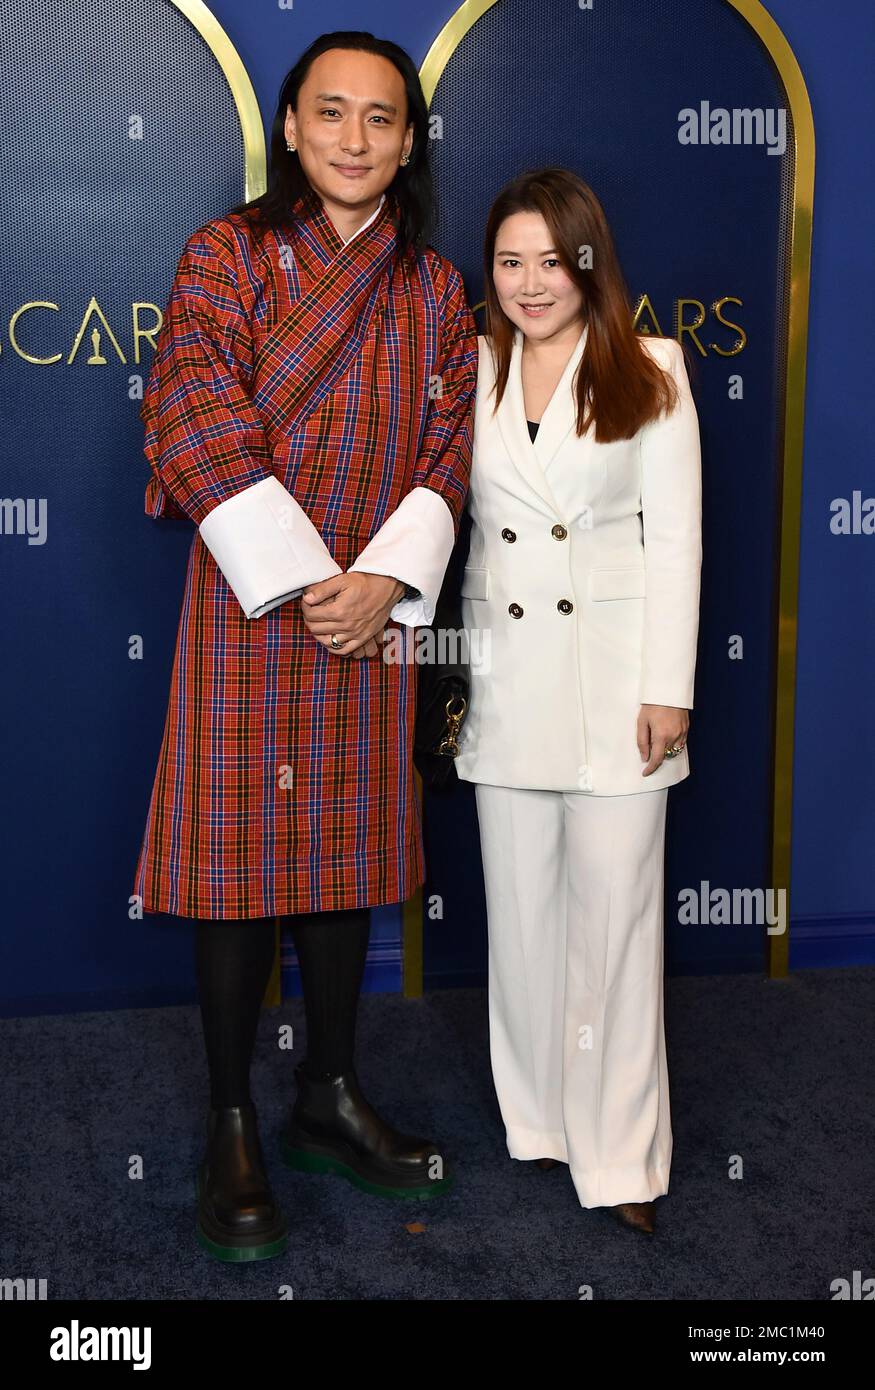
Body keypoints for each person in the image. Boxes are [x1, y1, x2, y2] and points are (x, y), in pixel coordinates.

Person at [132, 31, 477, 1262]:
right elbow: (194, 408)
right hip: (251, 601)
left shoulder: (434, 291)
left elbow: (450, 452)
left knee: (344, 849)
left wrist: (382, 581)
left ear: (406, 140)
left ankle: (328, 1090)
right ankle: (231, 1116)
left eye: (380, 119)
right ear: (290, 126)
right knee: (235, 866)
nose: (352, 139)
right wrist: (309, 579)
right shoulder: (226, 255)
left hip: (370, 616)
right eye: (328, 113)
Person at [454, 167, 702, 1235]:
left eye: (549, 261)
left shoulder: (651, 368)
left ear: (586, 262)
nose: (527, 282)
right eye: (509, 262)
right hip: (507, 685)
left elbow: (675, 541)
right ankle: (541, 1121)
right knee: (521, 925)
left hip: (616, 694)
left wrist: (668, 689)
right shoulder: (466, 370)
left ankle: (619, 1155)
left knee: (616, 927)